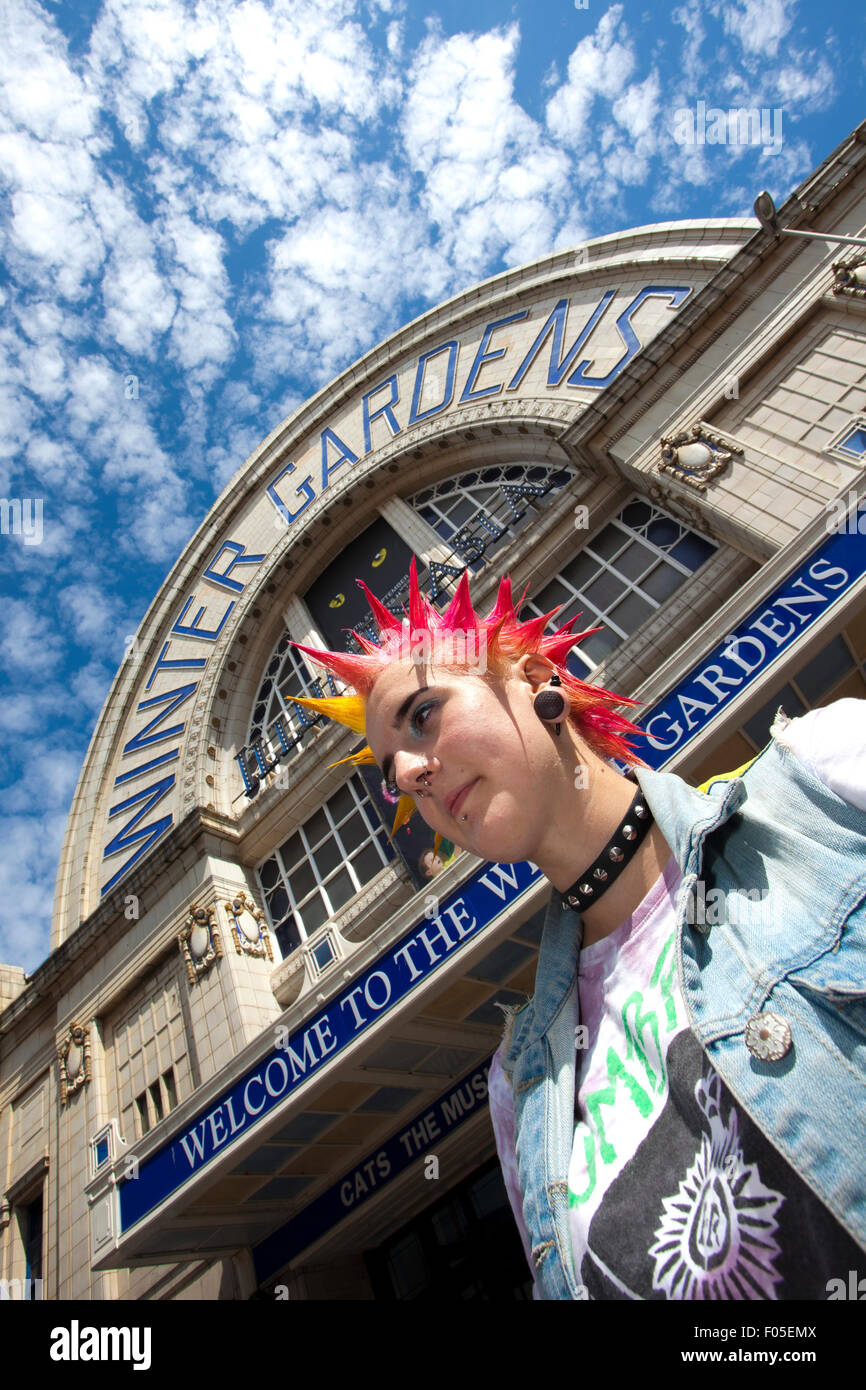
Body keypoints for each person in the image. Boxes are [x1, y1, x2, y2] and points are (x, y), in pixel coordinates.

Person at [291, 559, 866, 1300]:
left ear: (534, 680)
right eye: (392, 773)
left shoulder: (821, 780)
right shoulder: (522, 1087)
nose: (409, 773)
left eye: (424, 716)